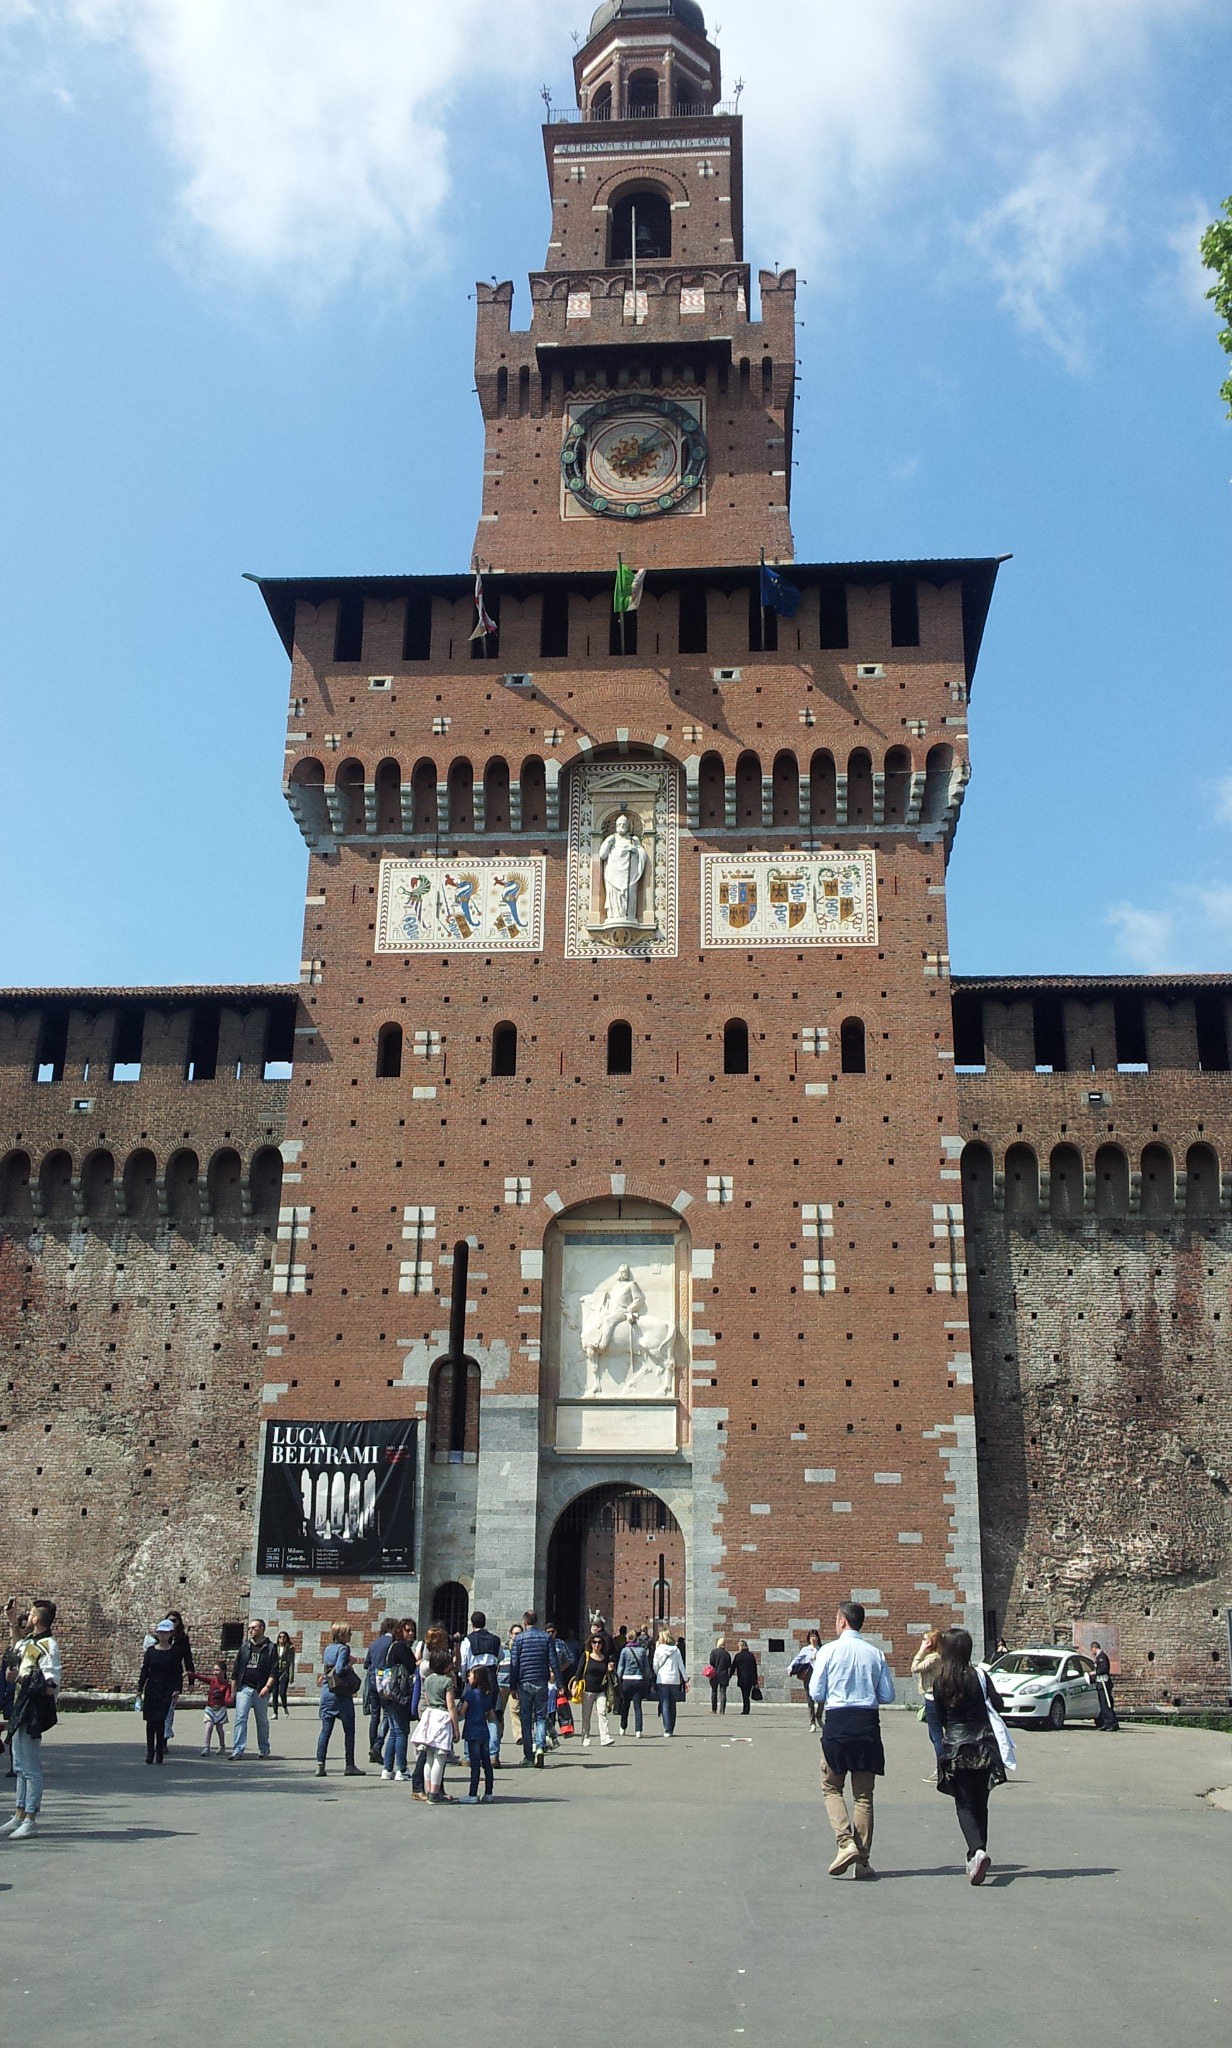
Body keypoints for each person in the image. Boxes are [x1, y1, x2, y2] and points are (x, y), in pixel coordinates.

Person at [810, 1602, 895, 1880]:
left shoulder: (828, 1651)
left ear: (843, 1621)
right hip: (867, 1722)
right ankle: (863, 1860)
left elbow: (816, 1692)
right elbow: (888, 1695)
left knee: (831, 1786)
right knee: (864, 1795)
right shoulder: (875, 1653)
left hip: (838, 1721)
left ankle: (845, 1842)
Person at [933, 1627, 1009, 1884]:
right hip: (983, 1745)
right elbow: (998, 1704)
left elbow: (939, 1717)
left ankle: (976, 1851)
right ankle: (978, 1853)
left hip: (956, 1747)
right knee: (981, 1802)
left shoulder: (941, 1680)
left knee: (964, 1803)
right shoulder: (979, 1676)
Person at [1, 1599, 61, 1842]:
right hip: (20, 1707)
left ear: (36, 1619)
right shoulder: (30, 1641)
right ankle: (19, 1813)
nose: (28, 1615)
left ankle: (30, 1819)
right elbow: (17, 1649)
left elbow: (49, 1685)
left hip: (33, 1711)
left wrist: (20, 1679)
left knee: (30, 1767)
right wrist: (12, 1621)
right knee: (18, 1766)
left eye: (31, 1613)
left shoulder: (48, 1646)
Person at [509, 1610, 561, 1768]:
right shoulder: (546, 1637)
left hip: (524, 1681)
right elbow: (553, 1661)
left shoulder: (519, 1639)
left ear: (525, 1622)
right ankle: (540, 1747)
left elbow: (514, 1664)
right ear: (537, 1622)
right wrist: (560, 1684)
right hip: (541, 1680)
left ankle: (529, 1756)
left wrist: (512, 1686)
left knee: (526, 1719)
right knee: (540, 1717)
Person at [317, 1624, 365, 1778]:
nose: (351, 1635)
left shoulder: (328, 1649)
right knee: (349, 1731)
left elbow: (328, 1669)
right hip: (341, 1695)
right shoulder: (344, 1649)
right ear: (342, 1635)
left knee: (325, 1730)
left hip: (327, 1692)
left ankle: (320, 1764)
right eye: (349, 1633)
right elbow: (339, 1669)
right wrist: (350, 1663)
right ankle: (349, 1765)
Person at [412, 1648, 459, 1802]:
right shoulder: (447, 1682)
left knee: (429, 1756)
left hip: (429, 1715)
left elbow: (427, 1699)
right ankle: (435, 1792)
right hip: (442, 1717)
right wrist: (456, 1728)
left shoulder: (428, 1679)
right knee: (440, 1756)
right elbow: (451, 1705)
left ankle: (428, 1790)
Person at [230, 1618, 277, 1760]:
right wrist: (233, 1691)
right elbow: (236, 1670)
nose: (250, 1630)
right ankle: (238, 1750)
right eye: (249, 1628)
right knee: (240, 1718)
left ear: (261, 1628)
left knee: (261, 1720)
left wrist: (267, 1687)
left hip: (260, 1689)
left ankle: (264, 1749)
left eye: (253, 1628)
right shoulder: (245, 1647)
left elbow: (274, 1670)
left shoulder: (270, 1647)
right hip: (244, 1687)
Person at [380, 1618, 419, 1782]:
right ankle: (401, 1769)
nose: (410, 1634)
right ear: (400, 1631)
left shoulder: (393, 1646)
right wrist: (420, 1661)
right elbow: (411, 1666)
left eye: (412, 1631)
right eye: (407, 1630)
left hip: (389, 1693)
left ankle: (387, 1768)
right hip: (399, 1694)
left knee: (394, 1733)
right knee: (401, 1732)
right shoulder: (401, 1647)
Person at [137, 1619, 181, 1763]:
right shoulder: (151, 1652)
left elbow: (177, 1672)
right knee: (150, 1721)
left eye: (165, 1632)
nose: (162, 1634)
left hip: (166, 1690)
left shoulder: (174, 1652)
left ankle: (160, 1751)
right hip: (152, 1688)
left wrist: (176, 1690)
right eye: (160, 1632)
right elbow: (145, 1670)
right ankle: (150, 1752)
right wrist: (139, 1689)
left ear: (170, 1634)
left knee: (160, 1720)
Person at [910, 1626, 946, 1769]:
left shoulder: (933, 1658)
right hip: (933, 1697)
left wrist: (920, 1651)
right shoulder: (938, 1656)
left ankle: (942, 1768)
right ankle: (943, 1766)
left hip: (933, 1698)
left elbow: (915, 1668)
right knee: (934, 1734)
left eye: (925, 1640)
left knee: (937, 1735)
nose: (922, 1642)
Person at [577, 1625, 616, 1748]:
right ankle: (585, 1737)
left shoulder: (605, 1658)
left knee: (602, 1712)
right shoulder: (586, 1656)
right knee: (586, 1715)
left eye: (599, 1642)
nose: (597, 1645)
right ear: (591, 1643)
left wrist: (610, 1669)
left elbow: (608, 1675)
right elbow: (579, 1672)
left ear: (603, 1644)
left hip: (601, 1690)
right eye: (594, 1642)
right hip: (587, 1690)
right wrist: (575, 1686)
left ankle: (605, 1737)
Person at [461, 1664, 496, 1802]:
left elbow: (462, 1712)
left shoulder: (470, 1695)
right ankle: (488, 1792)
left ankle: (473, 1794)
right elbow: (492, 1716)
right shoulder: (485, 1695)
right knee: (486, 1763)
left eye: (470, 1675)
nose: (468, 1678)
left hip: (472, 1732)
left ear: (476, 1678)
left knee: (475, 1764)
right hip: (483, 1732)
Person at [363, 1616, 395, 1762]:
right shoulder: (392, 1643)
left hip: (372, 1678)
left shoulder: (374, 1643)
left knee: (374, 1715)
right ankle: (377, 1745)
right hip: (385, 1679)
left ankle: (372, 1747)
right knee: (387, 1713)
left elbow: (367, 1664)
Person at [162, 1611, 196, 1742]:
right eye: (169, 1620)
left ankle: (164, 1739)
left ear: (179, 1623)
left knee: (169, 1710)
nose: (172, 1623)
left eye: (174, 1621)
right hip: (160, 1677)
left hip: (175, 1677)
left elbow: (188, 1659)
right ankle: (159, 1736)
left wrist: (191, 1681)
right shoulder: (162, 1637)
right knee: (159, 1710)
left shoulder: (182, 1639)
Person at [616, 1631, 653, 1736]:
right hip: (638, 1679)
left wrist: (619, 1679)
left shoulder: (624, 1651)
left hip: (627, 1680)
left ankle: (623, 1727)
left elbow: (620, 1667)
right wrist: (647, 1679)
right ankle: (638, 1730)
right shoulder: (642, 1651)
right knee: (637, 1706)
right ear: (637, 1638)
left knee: (625, 1705)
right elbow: (646, 1668)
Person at [653, 1627, 687, 1736]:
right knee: (673, 1704)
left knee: (665, 1703)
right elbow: (681, 1666)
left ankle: (667, 1729)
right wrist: (685, 1679)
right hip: (674, 1680)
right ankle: (671, 1727)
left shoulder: (659, 1649)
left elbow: (655, 1665)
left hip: (662, 1679)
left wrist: (657, 1673)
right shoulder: (676, 1650)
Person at [789, 1631, 823, 1731]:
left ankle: (819, 1716)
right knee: (810, 1699)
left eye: (815, 1636)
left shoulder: (822, 1649)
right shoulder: (806, 1649)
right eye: (811, 1636)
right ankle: (812, 1722)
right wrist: (790, 1667)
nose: (813, 1638)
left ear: (818, 1638)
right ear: (809, 1638)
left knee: (822, 1698)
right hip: (809, 1675)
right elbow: (797, 1659)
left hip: (820, 1676)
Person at [201, 1660, 233, 1755]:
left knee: (219, 1728)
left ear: (224, 1671)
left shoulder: (226, 1685)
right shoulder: (212, 1681)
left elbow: (227, 1697)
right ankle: (206, 1747)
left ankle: (222, 1746)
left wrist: (228, 1701)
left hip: (220, 1708)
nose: (215, 1672)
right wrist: (191, 1674)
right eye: (214, 1670)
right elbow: (201, 1677)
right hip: (210, 1707)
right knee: (209, 1726)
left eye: (217, 1670)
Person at [1091, 1642, 1120, 1731]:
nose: (1092, 1652)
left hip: (1104, 1683)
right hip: (1100, 1683)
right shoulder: (1098, 1657)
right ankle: (1106, 1723)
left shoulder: (1102, 1657)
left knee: (1107, 1704)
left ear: (1094, 1648)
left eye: (1092, 1650)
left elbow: (1103, 1669)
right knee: (1103, 1705)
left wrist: (1095, 1673)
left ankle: (1113, 1723)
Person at [731, 1639, 760, 1716]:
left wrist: (729, 1676)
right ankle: (746, 1709)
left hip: (742, 1679)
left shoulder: (738, 1656)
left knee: (744, 1694)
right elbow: (754, 1668)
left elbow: (733, 1667)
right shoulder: (751, 1655)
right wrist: (755, 1680)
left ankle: (745, 1710)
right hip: (750, 1679)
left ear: (741, 1646)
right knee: (747, 1694)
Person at [272, 1630, 296, 1717]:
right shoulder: (275, 1647)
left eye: (284, 1637)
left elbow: (291, 1662)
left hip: (284, 1672)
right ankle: (275, 1712)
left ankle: (285, 1707)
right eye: (280, 1637)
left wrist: (291, 1676)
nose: (282, 1638)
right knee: (274, 1693)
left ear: (286, 1638)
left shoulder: (289, 1648)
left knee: (282, 1692)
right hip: (275, 1672)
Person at [707, 1637, 733, 1715]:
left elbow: (711, 1662)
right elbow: (729, 1665)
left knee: (714, 1691)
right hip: (724, 1675)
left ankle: (714, 1709)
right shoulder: (727, 1654)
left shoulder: (714, 1652)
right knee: (723, 1693)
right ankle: (722, 1710)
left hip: (714, 1674)